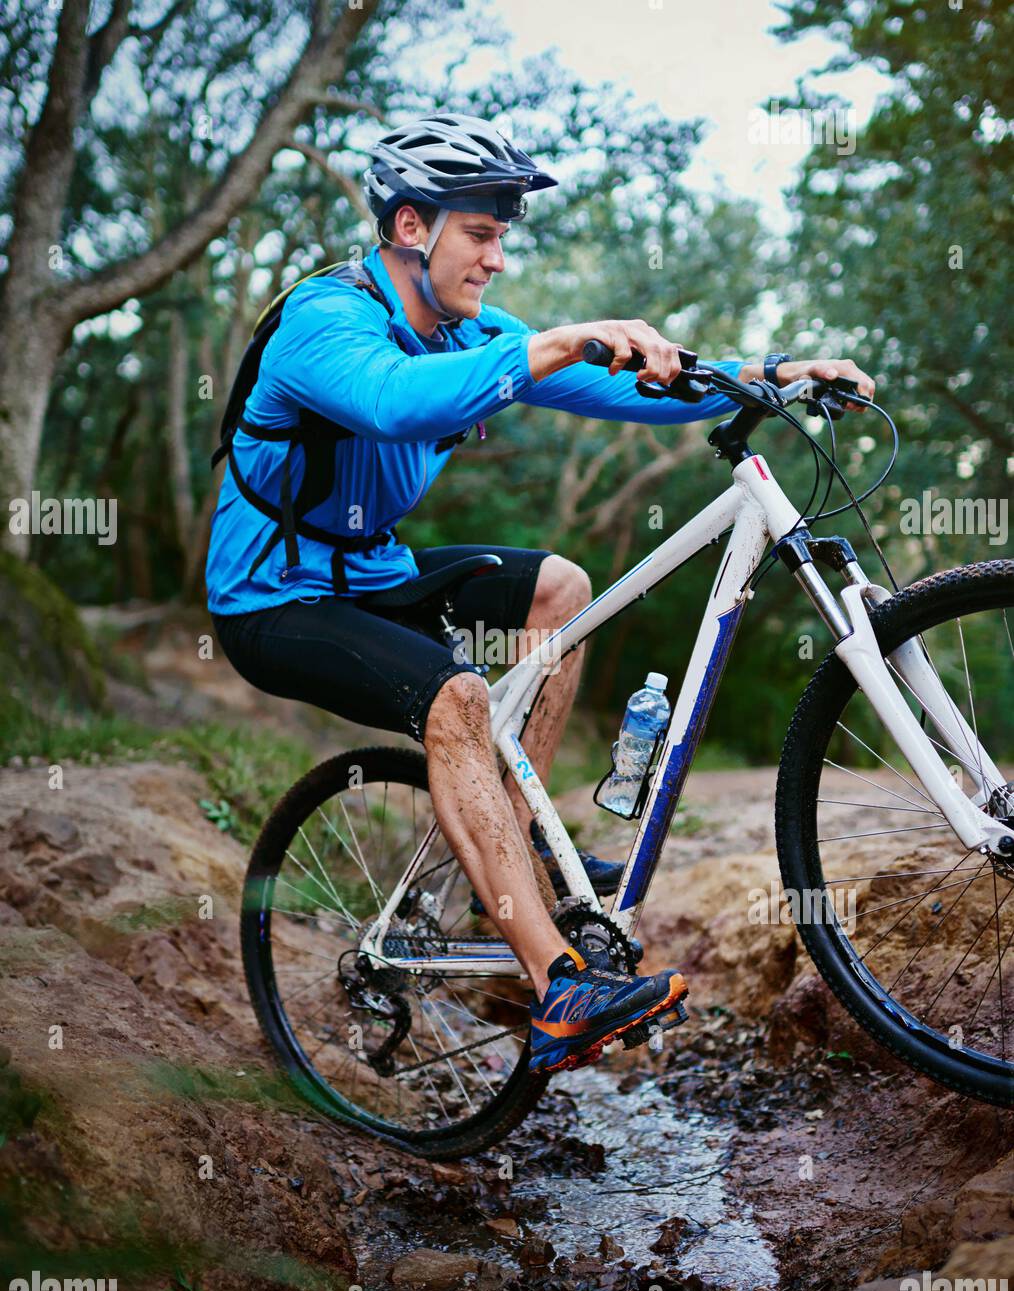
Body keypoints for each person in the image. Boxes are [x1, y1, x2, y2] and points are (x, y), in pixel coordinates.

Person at [206, 113, 875, 1074]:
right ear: (409, 226)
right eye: (481, 233)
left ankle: (501, 873)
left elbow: (638, 391)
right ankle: (560, 984)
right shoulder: (325, 320)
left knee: (561, 586)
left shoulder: (469, 328)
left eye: (501, 237)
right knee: (457, 696)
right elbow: (399, 401)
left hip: (375, 574)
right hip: (274, 600)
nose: (498, 259)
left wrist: (774, 373)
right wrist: (562, 341)